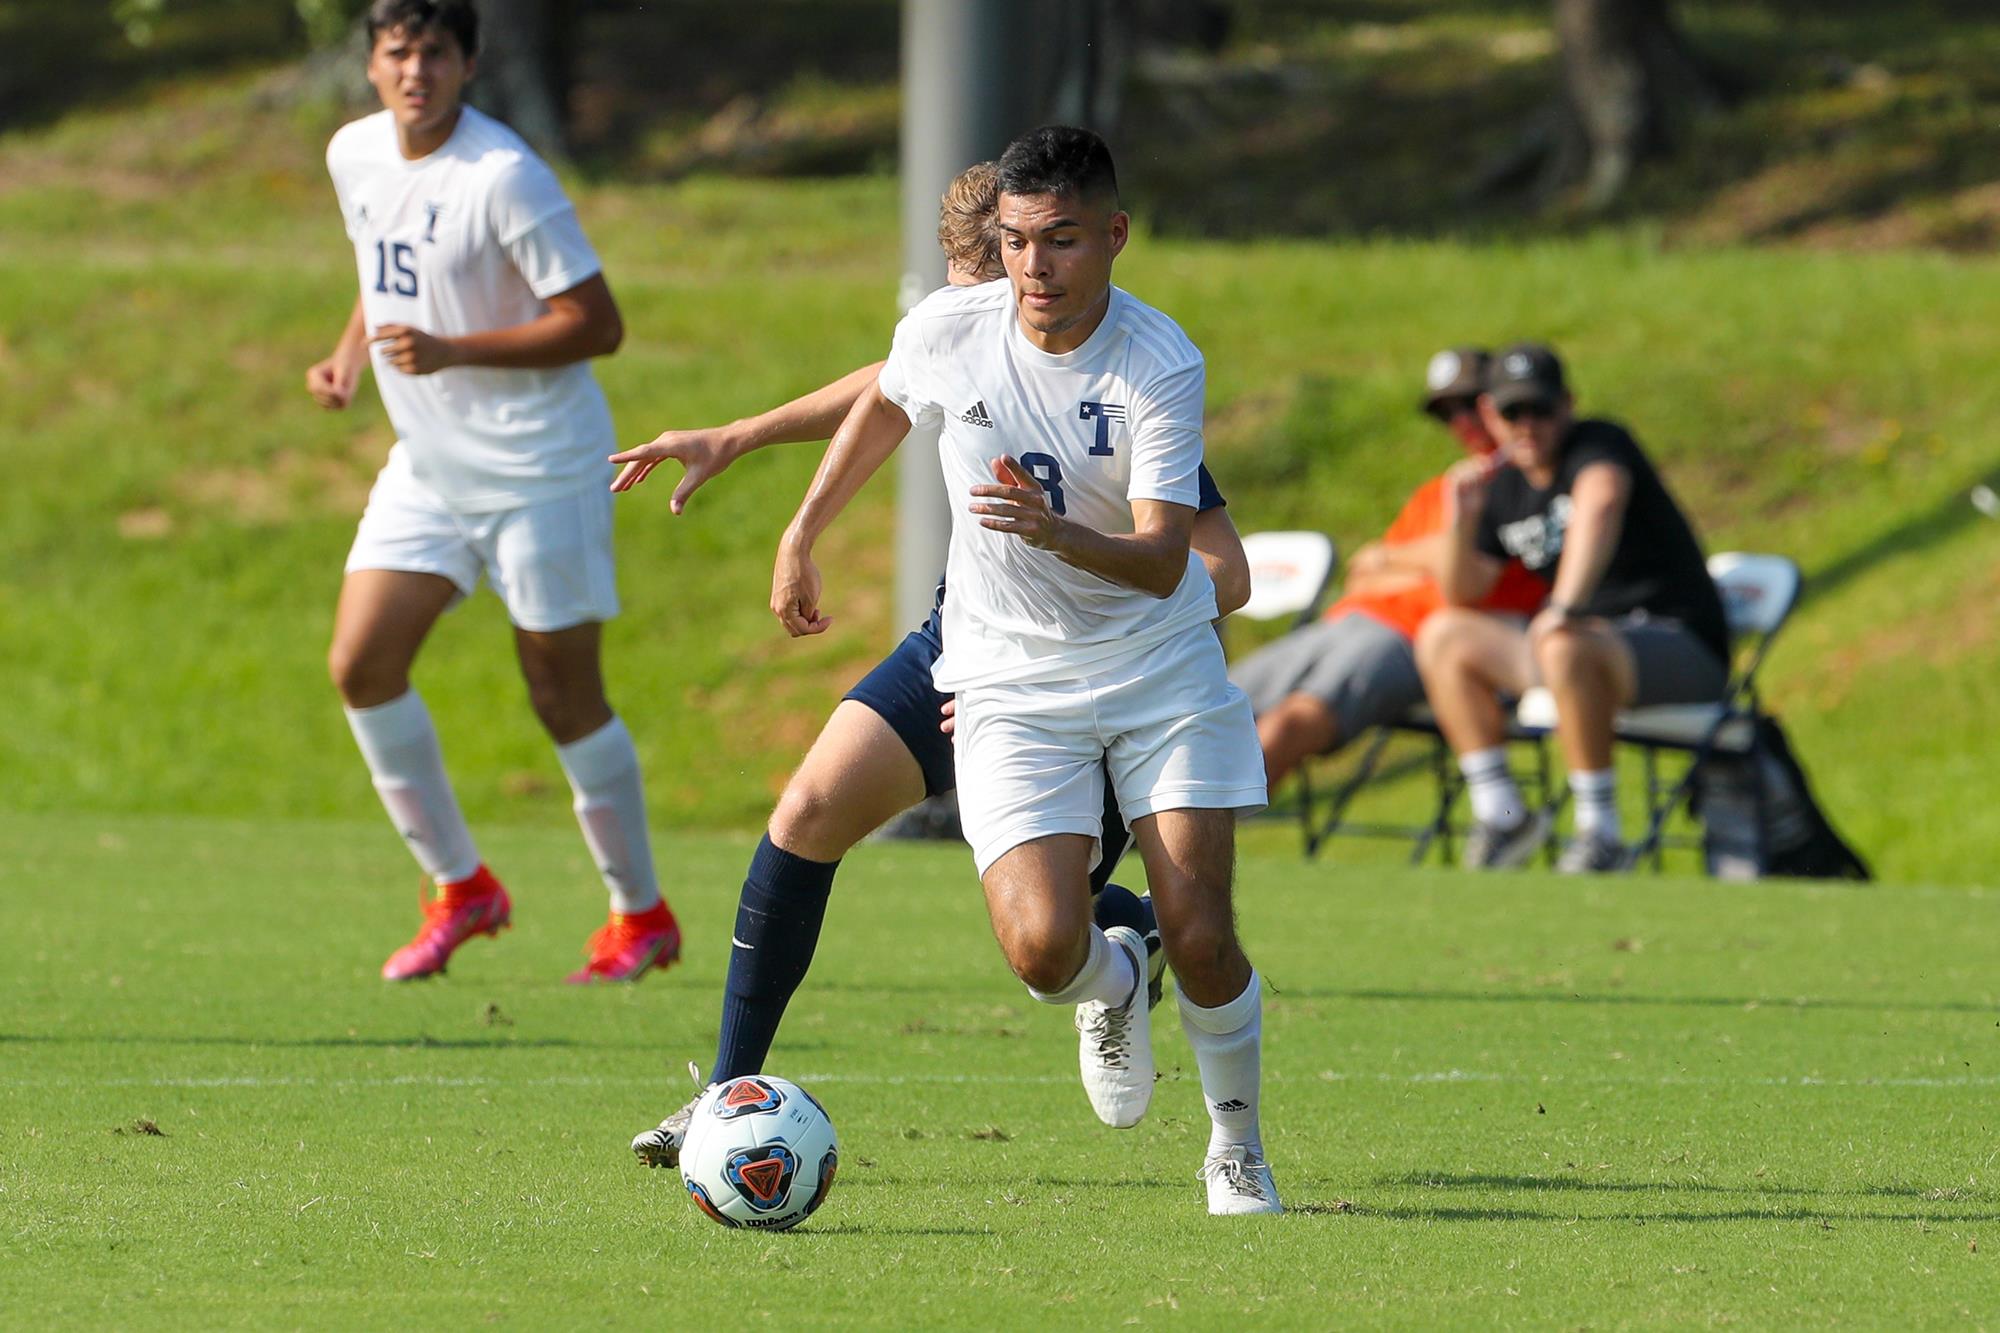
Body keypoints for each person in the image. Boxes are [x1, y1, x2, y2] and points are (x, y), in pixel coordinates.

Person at [613, 162, 1251, 1177]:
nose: (984, 304)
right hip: (968, 643)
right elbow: (888, 385)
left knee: (1048, 941)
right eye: (970, 278)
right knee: (811, 805)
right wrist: (740, 439)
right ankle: (722, 1097)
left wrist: (1085, 620)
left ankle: (1119, 948)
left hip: (1102, 673)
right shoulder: (966, 340)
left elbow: (1223, 571)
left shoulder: (1119, 377)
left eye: (993, 278)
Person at [305, 0, 680, 982]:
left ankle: (639, 914)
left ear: (467, 63)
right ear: (373, 64)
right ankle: (461, 889)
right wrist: (350, 356)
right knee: (361, 662)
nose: (415, 69)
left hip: (540, 467)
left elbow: (598, 324)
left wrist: (450, 350)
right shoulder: (354, 153)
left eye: (435, 51)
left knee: (562, 695)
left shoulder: (504, 177)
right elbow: (382, 267)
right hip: (428, 465)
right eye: (398, 51)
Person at [1418, 342, 1731, 872]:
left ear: (1568, 405)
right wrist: (1463, 519)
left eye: (1540, 409)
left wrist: (1563, 607)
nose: (1527, 425)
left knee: (1564, 645)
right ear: (1492, 414)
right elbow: (1463, 593)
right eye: (1513, 412)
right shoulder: (1505, 487)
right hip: (1582, 650)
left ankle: (1600, 834)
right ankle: (1504, 813)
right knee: (1443, 634)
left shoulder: (1599, 444)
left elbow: (1601, 503)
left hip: (1678, 644)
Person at [1229, 348, 1547, 789]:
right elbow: (1363, 570)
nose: (1462, 423)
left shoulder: (1523, 484)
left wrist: (1399, 559)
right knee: (1213, 705)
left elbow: (1459, 582)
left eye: (1470, 404)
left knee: (1288, 725)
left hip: (1418, 640)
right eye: (1447, 413)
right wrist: (1429, 561)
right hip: (1350, 620)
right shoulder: (1441, 489)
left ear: (1496, 403)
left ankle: (1191, 850)